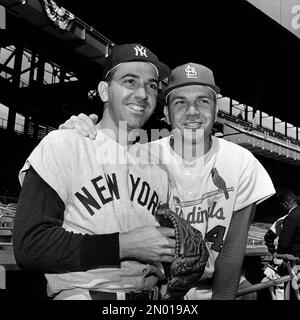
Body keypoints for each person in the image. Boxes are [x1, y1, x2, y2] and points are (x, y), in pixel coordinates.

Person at [59, 62, 276, 299]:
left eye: (203, 101)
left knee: (248, 295)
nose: (192, 111)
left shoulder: (241, 162)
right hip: (158, 285)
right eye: (180, 102)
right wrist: (77, 133)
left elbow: (231, 255)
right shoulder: (141, 158)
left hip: (213, 282)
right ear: (166, 113)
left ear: (215, 110)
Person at [13, 43, 177, 300]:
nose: (143, 94)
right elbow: (30, 246)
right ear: (104, 91)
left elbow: (159, 248)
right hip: (86, 294)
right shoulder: (63, 143)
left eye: (152, 85)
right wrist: (125, 245)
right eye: (130, 81)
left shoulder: (158, 168)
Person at [277, 190, 300, 260]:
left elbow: (285, 242)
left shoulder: (291, 217)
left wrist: (278, 254)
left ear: (286, 203)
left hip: (295, 257)